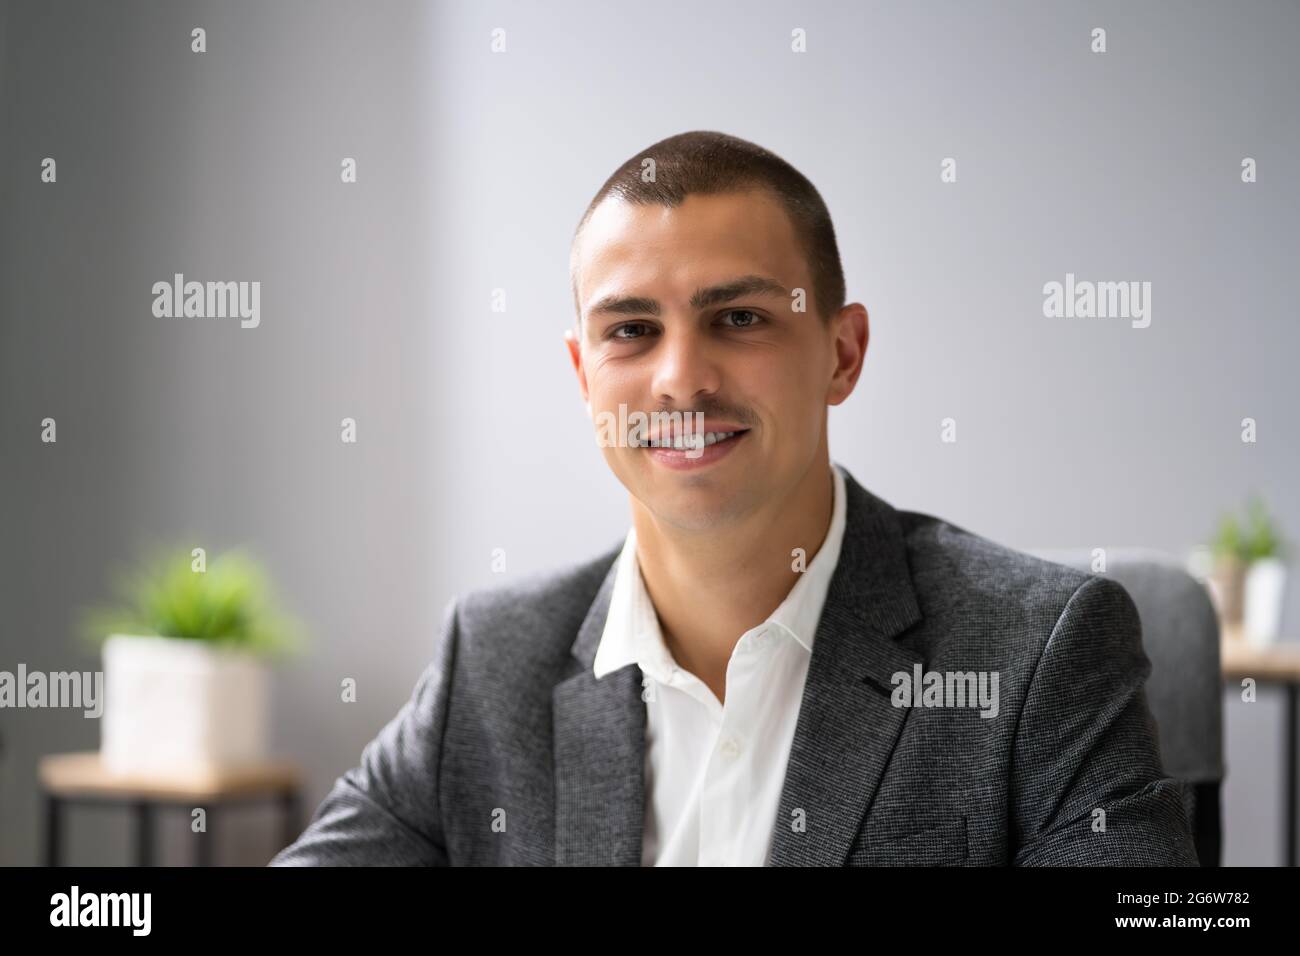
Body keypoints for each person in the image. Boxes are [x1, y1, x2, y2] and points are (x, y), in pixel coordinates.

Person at [270, 130, 1199, 866]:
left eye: (740, 318)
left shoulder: (1037, 650)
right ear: (583, 374)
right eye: (631, 330)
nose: (681, 379)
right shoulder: (492, 658)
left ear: (842, 354)